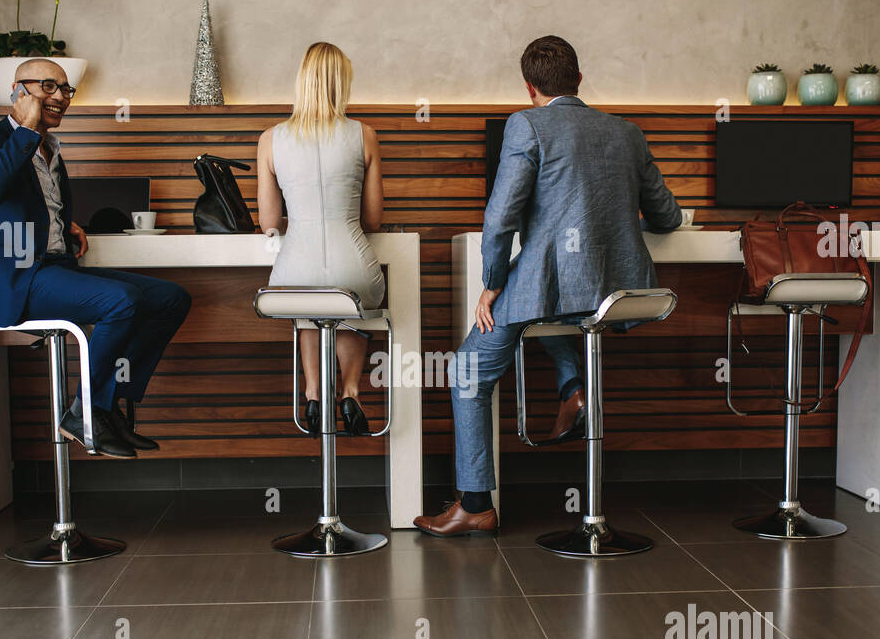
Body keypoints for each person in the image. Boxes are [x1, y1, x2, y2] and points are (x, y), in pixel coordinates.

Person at [414, 35, 684, 537]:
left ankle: (475, 503)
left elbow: (499, 220)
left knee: (469, 373)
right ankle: (573, 388)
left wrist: (492, 283)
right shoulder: (628, 132)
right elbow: (667, 217)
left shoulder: (526, 124)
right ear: (579, 80)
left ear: (530, 87)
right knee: (553, 312)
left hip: (553, 283)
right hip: (620, 291)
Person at [0, 58, 191, 458]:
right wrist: (25, 129)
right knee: (121, 300)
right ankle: (87, 412)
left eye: (65, 90)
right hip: (14, 280)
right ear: (18, 90)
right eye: (48, 86)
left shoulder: (51, 150)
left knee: (171, 298)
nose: (61, 97)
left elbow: (29, 202)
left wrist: (64, 223)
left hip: (54, 269)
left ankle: (109, 406)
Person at [257, 42, 385, 437]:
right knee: (348, 298)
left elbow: (268, 222)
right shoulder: (364, 135)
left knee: (308, 298)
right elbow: (374, 220)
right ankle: (350, 391)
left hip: (292, 275)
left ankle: (313, 394)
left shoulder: (270, 140)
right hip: (354, 269)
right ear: (341, 83)